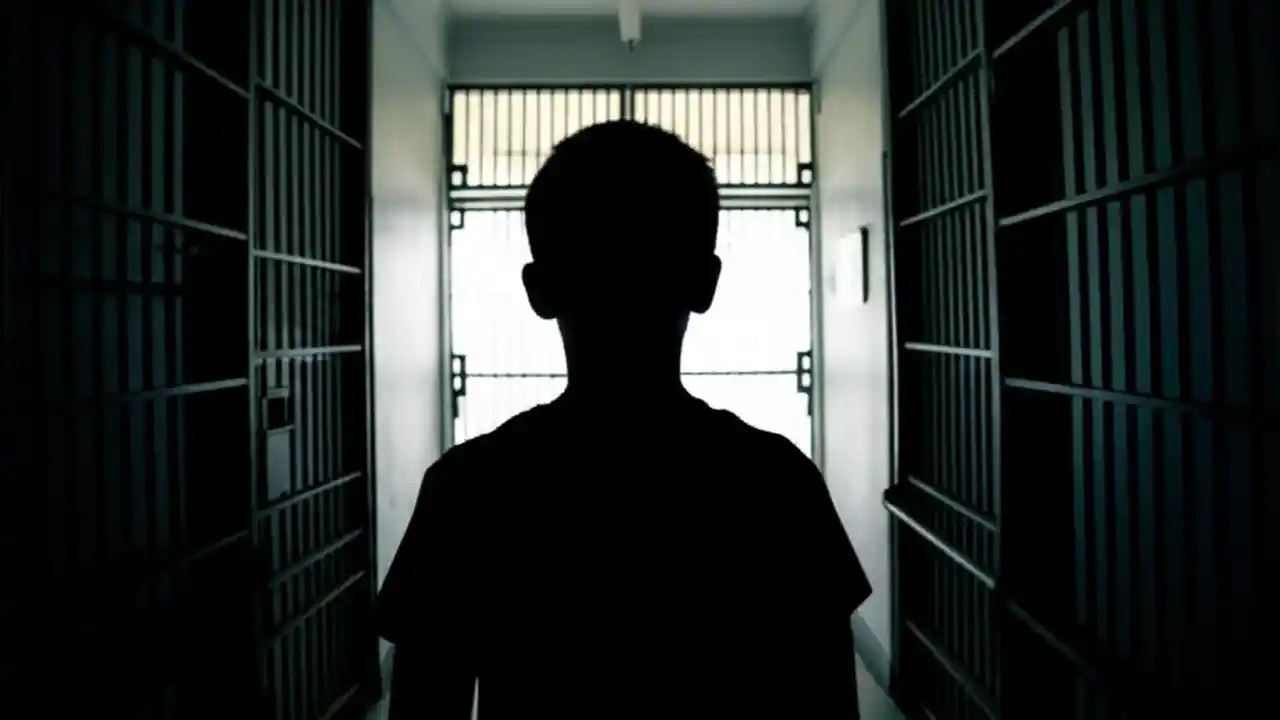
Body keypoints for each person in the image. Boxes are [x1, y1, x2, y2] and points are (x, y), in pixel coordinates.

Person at [374, 121, 870, 719]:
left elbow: (425, 705)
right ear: (704, 283)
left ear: (540, 290)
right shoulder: (776, 482)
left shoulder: (468, 487)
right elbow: (827, 701)